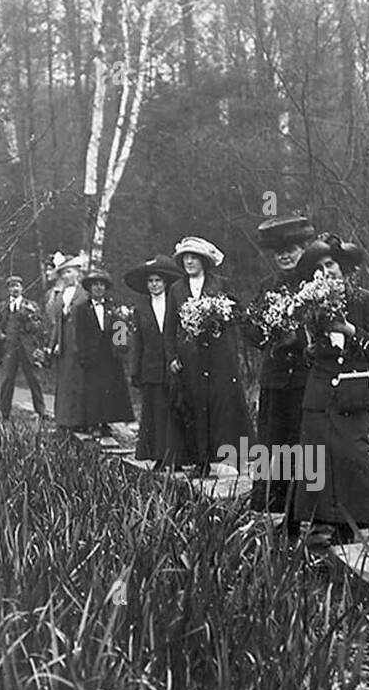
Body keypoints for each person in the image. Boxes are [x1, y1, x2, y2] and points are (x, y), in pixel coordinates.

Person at [292, 234, 369, 546]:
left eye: (330, 264)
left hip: (353, 390)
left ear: (343, 267)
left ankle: (363, 519)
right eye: (319, 269)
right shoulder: (310, 304)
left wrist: (349, 331)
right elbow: (307, 352)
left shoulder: (365, 300)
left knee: (351, 453)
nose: (325, 272)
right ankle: (321, 521)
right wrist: (313, 338)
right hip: (321, 388)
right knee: (315, 452)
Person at [163, 236, 253, 476]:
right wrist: (172, 357)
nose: (189, 262)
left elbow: (237, 315)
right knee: (194, 406)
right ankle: (200, 461)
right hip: (190, 358)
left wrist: (220, 317)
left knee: (221, 405)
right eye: (186, 258)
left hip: (219, 356)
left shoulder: (220, 284)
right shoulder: (176, 289)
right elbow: (170, 327)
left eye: (194, 258)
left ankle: (226, 459)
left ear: (204, 260)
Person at [249, 214, 317, 513]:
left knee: (304, 444)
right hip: (275, 377)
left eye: (292, 249)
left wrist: (299, 337)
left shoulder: (316, 286)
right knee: (271, 442)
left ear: (304, 249)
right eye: (279, 252)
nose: (285, 255)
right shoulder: (267, 286)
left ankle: (304, 508)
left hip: (306, 376)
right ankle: (269, 504)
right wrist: (265, 329)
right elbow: (252, 333)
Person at [124, 254, 185, 469]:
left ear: (166, 282)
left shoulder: (175, 302)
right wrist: (135, 370)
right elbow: (136, 342)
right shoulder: (140, 308)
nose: (154, 285)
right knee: (154, 413)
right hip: (150, 367)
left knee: (173, 411)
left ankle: (176, 457)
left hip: (172, 366)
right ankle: (159, 456)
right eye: (150, 281)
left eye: (158, 280)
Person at [63, 266, 134, 437]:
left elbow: (120, 329)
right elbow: (79, 335)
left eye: (102, 285)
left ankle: (105, 422)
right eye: (95, 285)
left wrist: (121, 346)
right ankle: (93, 422)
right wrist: (83, 355)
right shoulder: (81, 309)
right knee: (92, 390)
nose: (98, 288)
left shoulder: (113, 307)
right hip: (91, 355)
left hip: (110, 355)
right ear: (89, 288)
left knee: (109, 388)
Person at [0, 275, 47, 423]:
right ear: (8, 289)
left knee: (34, 379)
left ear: (22, 288)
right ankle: (4, 414)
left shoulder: (30, 305)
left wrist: (29, 320)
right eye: (12, 286)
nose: (15, 288)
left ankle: (41, 412)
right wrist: (0, 335)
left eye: (18, 286)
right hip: (9, 347)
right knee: (7, 380)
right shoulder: (2, 306)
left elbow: (38, 326)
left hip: (27, 348)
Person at [51, 253, 90, 430]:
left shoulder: (85, 293)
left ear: (77, 272)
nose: (66, 277)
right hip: (64, 341)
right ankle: (63, 419)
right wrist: (54, 343)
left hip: (80, 341)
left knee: (79, 380)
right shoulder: (60, 294)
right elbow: (56, 321)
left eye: (69, 272)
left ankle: (79, 420)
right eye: (63, 274)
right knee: (64, 380)